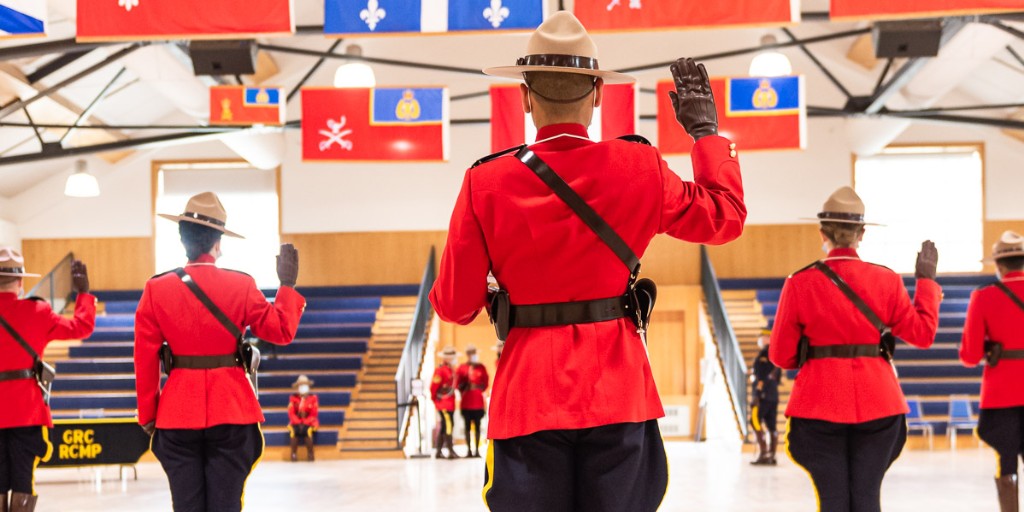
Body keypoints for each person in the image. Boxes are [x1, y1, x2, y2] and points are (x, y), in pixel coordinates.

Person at [429, 11, 745, 511]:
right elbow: (724, 218)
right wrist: (705, 133)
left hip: (527, 396)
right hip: (620, 391)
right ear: (597, 94)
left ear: (524, 96)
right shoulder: (639, 166)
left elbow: (453, 306)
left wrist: (496, 294)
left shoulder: (485, 182)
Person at [769, 186, 940, 512]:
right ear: (861, 234)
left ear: (823, 233)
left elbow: (781, 356)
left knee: (831, 501)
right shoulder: (886, 280)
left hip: (818, 404)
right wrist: (926, 282)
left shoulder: (800, 282)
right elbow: (922, 334)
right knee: (866, 497)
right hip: (879, 403)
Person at [134, 191, 304, 512]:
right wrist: (287, 287)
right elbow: (280, 332)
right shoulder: (241, 285)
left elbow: (144, 360)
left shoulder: (156, 288)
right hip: (232, 410)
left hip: (177, 413)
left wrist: (148, 415)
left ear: (183, 240)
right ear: (218, 243)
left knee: (186, 506)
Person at [0, 249, 93, 512]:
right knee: (22, 482)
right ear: (20, 282)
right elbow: (81, 327)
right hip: (26, 412)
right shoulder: (37, 311)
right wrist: (84, 294)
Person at [960, 230, 1024, 512]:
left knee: (1006, 459)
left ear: (999, 265)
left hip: (1002, 394)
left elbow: (970, 356)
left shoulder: (984, 297)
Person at [749, 328, 781, 466]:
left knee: (754, 420)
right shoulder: (776, 355)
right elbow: (777, 377)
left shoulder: (764, 354)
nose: (761, 339)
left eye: (763, 337)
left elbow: (761, 376)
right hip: (773, 394)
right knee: (771, 425)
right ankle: (772, 455)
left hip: (763, 395)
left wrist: (757, 394)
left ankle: (764, 452)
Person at [456, 344, 489, 458]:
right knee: (467, 427)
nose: (472, 356)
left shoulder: (481, 367)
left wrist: (477, 387)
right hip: (466, 401)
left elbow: (485, 383)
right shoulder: (462, 368)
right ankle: (469, 450)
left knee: (478, 426)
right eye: (470, 353)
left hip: (478, 402)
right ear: (467, 355)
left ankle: (477, 451)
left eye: (473, 353)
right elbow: (458, 384)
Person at [430, 346, 459, 460]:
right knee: (448, 426)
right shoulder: (440, 370)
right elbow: (433, 387)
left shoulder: (451, 369)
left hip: (449, 402)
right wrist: (435, 400)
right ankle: (450, 450)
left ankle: (438, 451)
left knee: (445, 426)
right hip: (444, 402)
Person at [288, 375, 319, 462]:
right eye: (301, 386)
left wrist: (305, 422)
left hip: (309, 422)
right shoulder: (293, 398)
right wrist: (298, 422)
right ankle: (293, 454)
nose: (303, 387)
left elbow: (314, 414)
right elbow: (291, 413)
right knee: (294, 431)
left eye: (305, 385)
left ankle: (310, 454)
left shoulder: (313, 398)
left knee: (307, 431)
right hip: (296, 422)